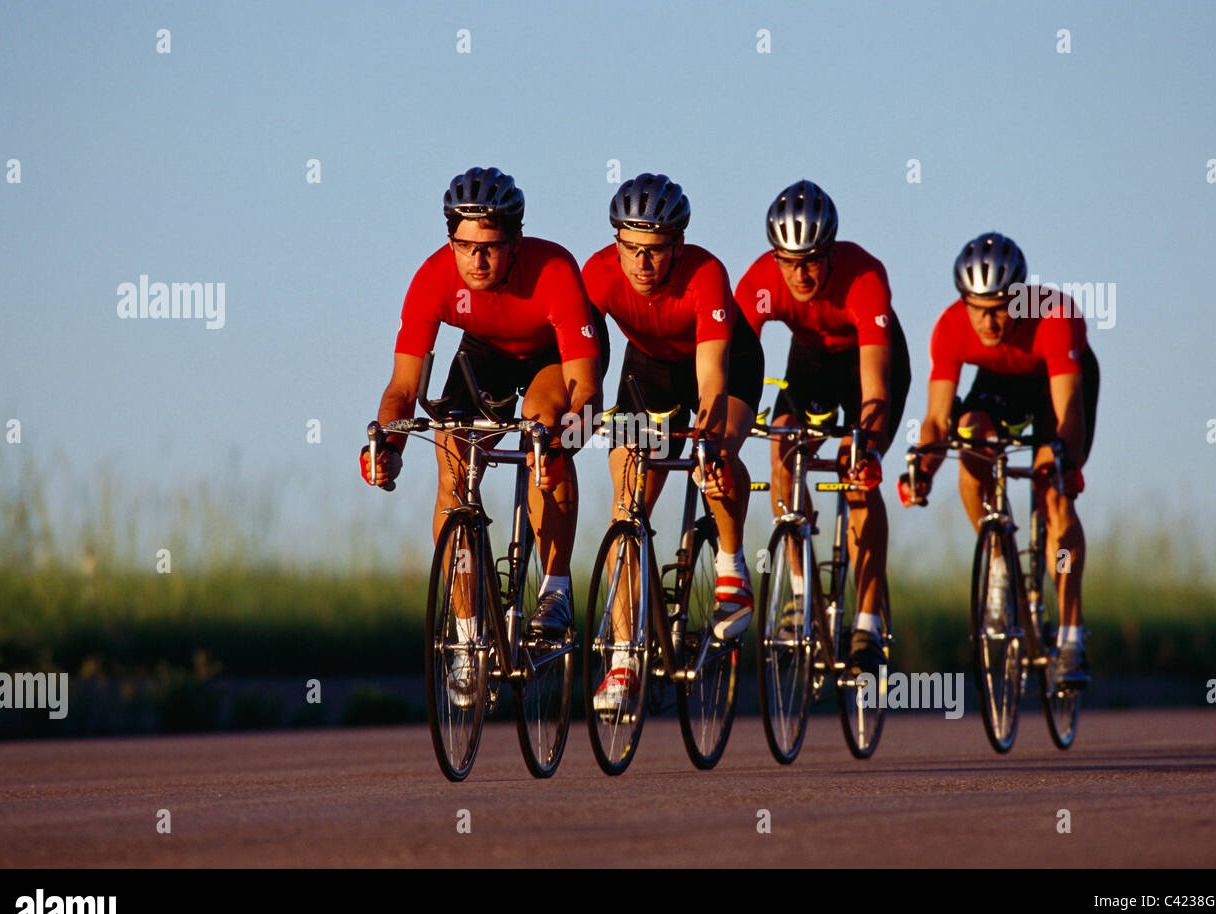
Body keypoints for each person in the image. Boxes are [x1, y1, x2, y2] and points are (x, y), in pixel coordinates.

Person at [361, 166, 607, 705]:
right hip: (486, 352)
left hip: (555, 354)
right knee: (453, 455)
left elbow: (586, 392)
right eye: (464, 246)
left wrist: (564, 443)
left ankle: (556, 590)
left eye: (490, 248)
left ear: (516, 242)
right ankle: (469, 639)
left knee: (544, 422)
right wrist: (387, 446)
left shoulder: (555, 268)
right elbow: (404, 389)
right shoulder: (433, 277)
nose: (475, 260)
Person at [582, 173, 763, 712]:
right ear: (616, 243)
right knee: (626, 511)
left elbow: (711, 379)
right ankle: (623, 662)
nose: (642, 264)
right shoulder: (595, 273)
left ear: (678, 247)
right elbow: (584, 359)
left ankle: (731, 567)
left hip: (723, 365)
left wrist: (705, 438)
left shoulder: (705, 273)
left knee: (717, 453)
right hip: (649, 370)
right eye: (632, 250)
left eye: (656, 252)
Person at [898, 232, 1099, 687]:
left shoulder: (1054, 316)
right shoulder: (951, 326)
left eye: (1001, 307)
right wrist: (924, 466)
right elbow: (935, 420)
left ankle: (1070, 635)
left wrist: (1060, 457)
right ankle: (998, 560)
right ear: (963, 302)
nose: (988, 321)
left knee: (1055, 493)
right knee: (968, 436)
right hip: (999, 383)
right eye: (978, 308)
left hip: (1058, 386)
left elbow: (1067, 411)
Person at [734, 180, 911, 676]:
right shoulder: (761, 282)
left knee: (858, 479)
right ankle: (799, 594)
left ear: (831, 252)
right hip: (811, 359)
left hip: (869, 362)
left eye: (811, 259)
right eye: (789, 261)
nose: (801, 273)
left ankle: (869, 623)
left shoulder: (864, 278)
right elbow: (733, 366)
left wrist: (868, 448)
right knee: (782, 447)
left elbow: (876, 388)